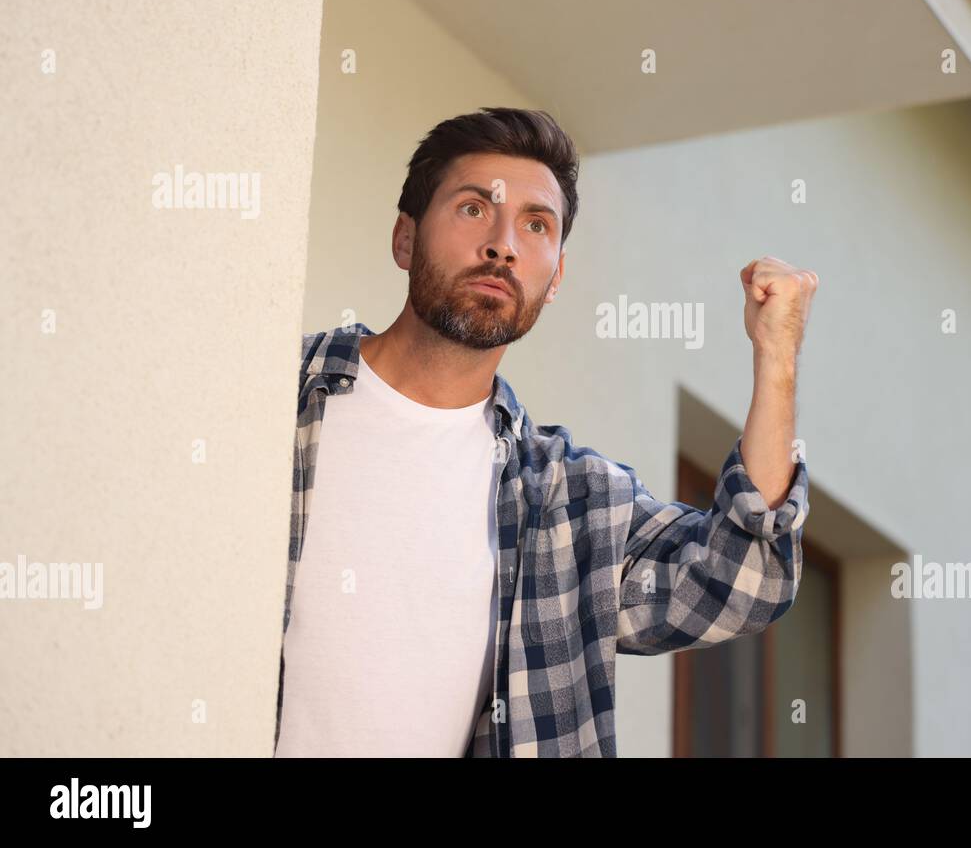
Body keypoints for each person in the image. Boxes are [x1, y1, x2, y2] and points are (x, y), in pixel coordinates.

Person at [273, 107, 817, 757]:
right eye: (475, 209)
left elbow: (743, 579)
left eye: (536, 225)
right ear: (405, 239)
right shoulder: (278, 392)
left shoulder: (571, 503)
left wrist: (776, 355)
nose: (503, 244)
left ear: (555, 275)